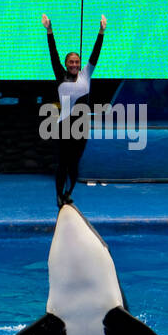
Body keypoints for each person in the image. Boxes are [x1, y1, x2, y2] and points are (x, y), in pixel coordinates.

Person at [42, 12, 107, 206]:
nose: (74, 64)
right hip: (64, 126)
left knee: (74, 165)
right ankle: (58, 195)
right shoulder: (60, 75)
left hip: (81, 126)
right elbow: (53, 53)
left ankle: (68, 193)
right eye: (71, 62)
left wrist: (101, 32)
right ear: (66, 64)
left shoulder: (86, 74)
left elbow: (95, 54)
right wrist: (49, 31)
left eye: (77, 62)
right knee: (63, 162)